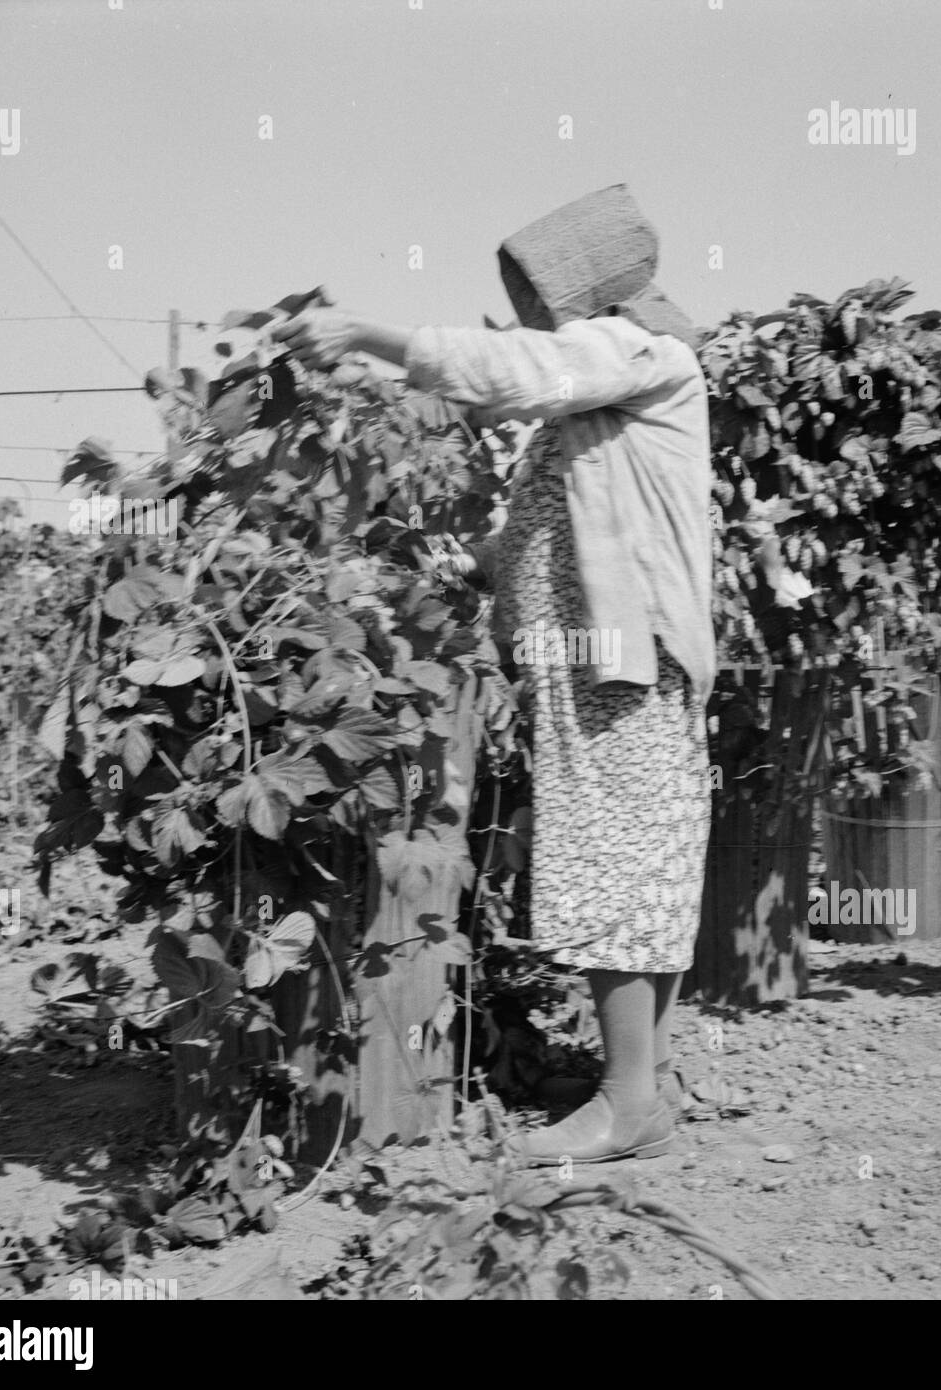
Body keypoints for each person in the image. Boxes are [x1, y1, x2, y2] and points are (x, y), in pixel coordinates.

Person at [272, 184, 715, 1162]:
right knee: (637, 872)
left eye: (536, 297)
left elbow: (516, 372)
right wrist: (468, 562)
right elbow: (540, 527)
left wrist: (368, 336)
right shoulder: (602, 385)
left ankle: (629, 1100)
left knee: (619, 873)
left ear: (581, 292)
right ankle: (639, 1086)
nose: (527, 317)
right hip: (594, 666)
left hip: (622, 667)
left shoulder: (636, 351)